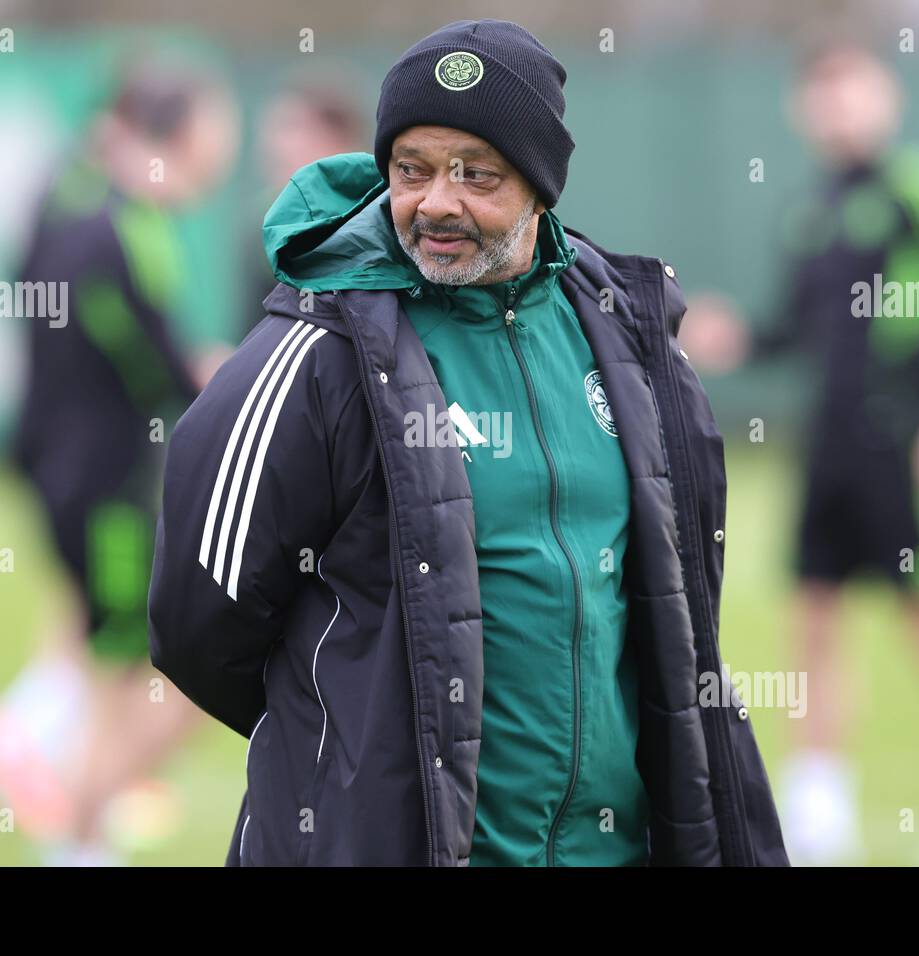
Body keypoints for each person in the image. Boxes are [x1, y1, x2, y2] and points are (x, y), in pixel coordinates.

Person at [148, 19, 787, 867]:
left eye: (475, 174)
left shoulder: (627, 333)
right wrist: (351, 758)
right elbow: (199, 623)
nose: (437, 201)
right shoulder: (320, 348)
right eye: (411, 169)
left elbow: (681, 602)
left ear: (540, 184)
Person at [680, 41, 919, 865]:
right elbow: (794, 330)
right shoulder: (812, 209)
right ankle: (819, 809)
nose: (837, 108)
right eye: (821, 94)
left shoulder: (917, 189)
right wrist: (733, 335)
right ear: (802, 109)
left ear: (886, 97)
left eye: (852, 91)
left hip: (902, 441)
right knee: (812, 621)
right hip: (830, 447)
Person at [0, 61, 240, 866]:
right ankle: (74, 811)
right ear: (171, 138)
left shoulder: (75, 200)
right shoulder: (115, 224)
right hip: (102, 479)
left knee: (115, 655)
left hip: (64, 463)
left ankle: (60, 770)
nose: (215, 163)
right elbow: (145, 355)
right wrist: (210, 380)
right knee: (156, 673)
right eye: (209, 142)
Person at [236, 78, 367, 341]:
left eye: (291, 127)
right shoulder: (263, 226)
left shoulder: (374, 219)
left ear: (337, 141)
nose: (274, 143)